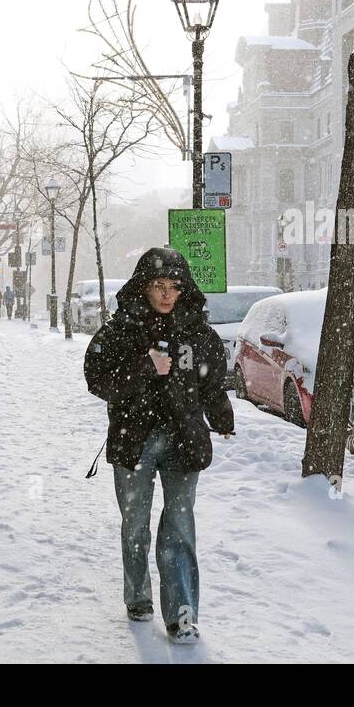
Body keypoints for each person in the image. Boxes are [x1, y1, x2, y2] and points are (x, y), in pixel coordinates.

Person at [91, 247, 234, 644]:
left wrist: (221, 416)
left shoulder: (197, 334)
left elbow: (211, 382)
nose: (167, 294)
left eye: (174, 286)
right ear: (144, 286)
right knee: (135, 525)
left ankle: (182, 616)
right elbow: (97, 379)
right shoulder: (120, 331)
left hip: (183, 441)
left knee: (179, 526)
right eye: (159, 286)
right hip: (134, 441)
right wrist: (144, 367)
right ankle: (138, 598)